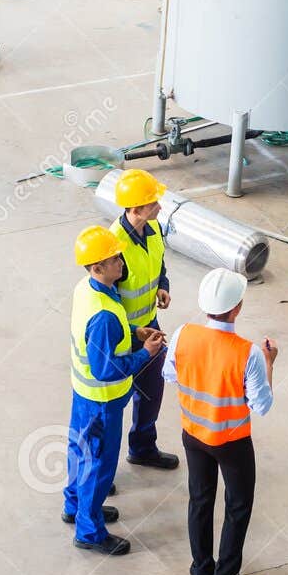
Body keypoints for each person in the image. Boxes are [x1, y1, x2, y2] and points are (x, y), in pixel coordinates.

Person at [163, 268, 276, 575]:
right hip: (232, 442)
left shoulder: (183, 334)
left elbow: (170, 375)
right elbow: (262, 405)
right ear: (237, 308)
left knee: (200, 501)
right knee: (237, 506)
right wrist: (269, 363)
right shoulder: (248, 353)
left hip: (193, 435)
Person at [64, 226, 165, 556]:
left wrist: (134, 332)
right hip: (102, 402)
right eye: (114, 259)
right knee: (99, 466)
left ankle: (75, 505)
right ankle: (90, 532)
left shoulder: (88, 289)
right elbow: (105, 368)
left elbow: (103, 335)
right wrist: (145, 354)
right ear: (98, 267)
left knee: (80, 450)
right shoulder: (104, 315)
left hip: (83, 395)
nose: (121, 262)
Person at [109, 169, 179, 472]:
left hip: (149, 326)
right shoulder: (114, 246)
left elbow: (158, 263)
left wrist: (163, 285)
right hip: (121, 335)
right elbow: (106, 299)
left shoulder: (153, 229)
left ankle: (142, 448)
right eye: (153, 203)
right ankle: (100, 473)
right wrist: (133, 332)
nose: (159, 207)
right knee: (112, 405)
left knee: (151, 390)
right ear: (136, 209)